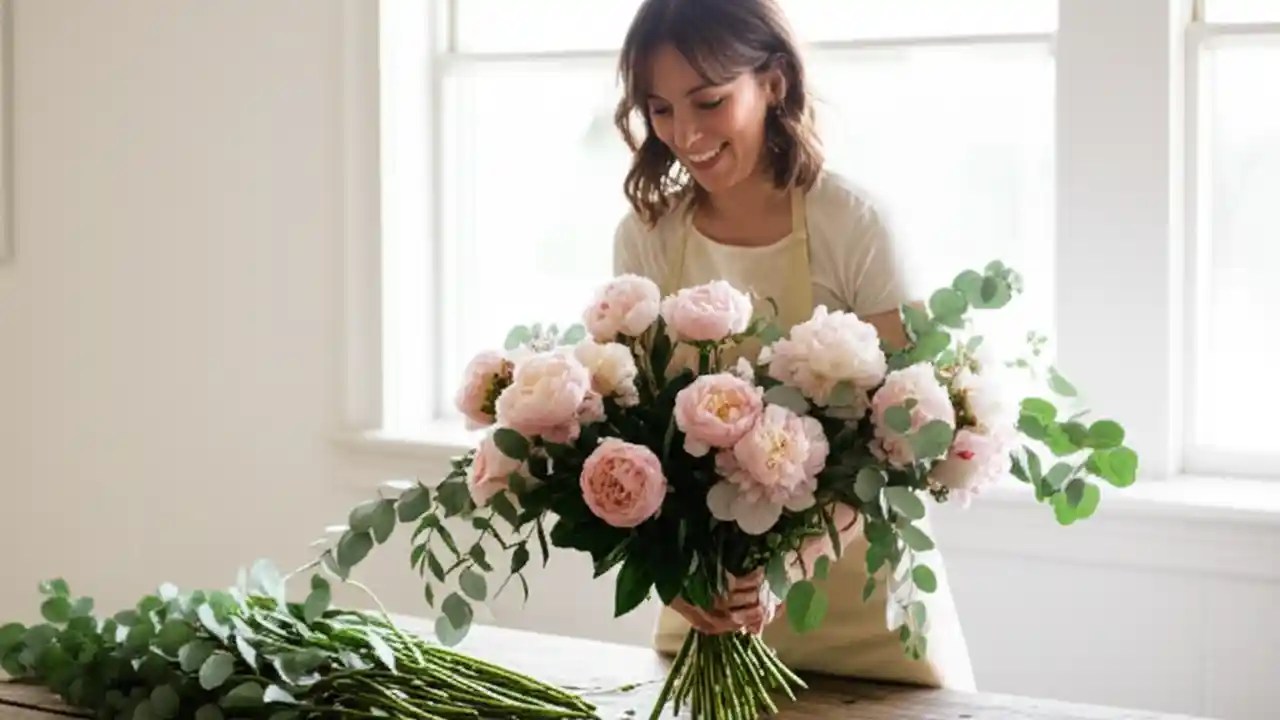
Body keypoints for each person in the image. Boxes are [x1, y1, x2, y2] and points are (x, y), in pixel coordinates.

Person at [609, 0, 977, 690]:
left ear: (773, 83)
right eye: (659, 109)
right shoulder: (647, 237)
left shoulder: (854, 222)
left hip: (866, 603)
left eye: (709, 101)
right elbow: (638, 434)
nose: (685, 134)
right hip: (710, 603)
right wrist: (671, 565)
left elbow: (909, 427)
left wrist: (793, 561)